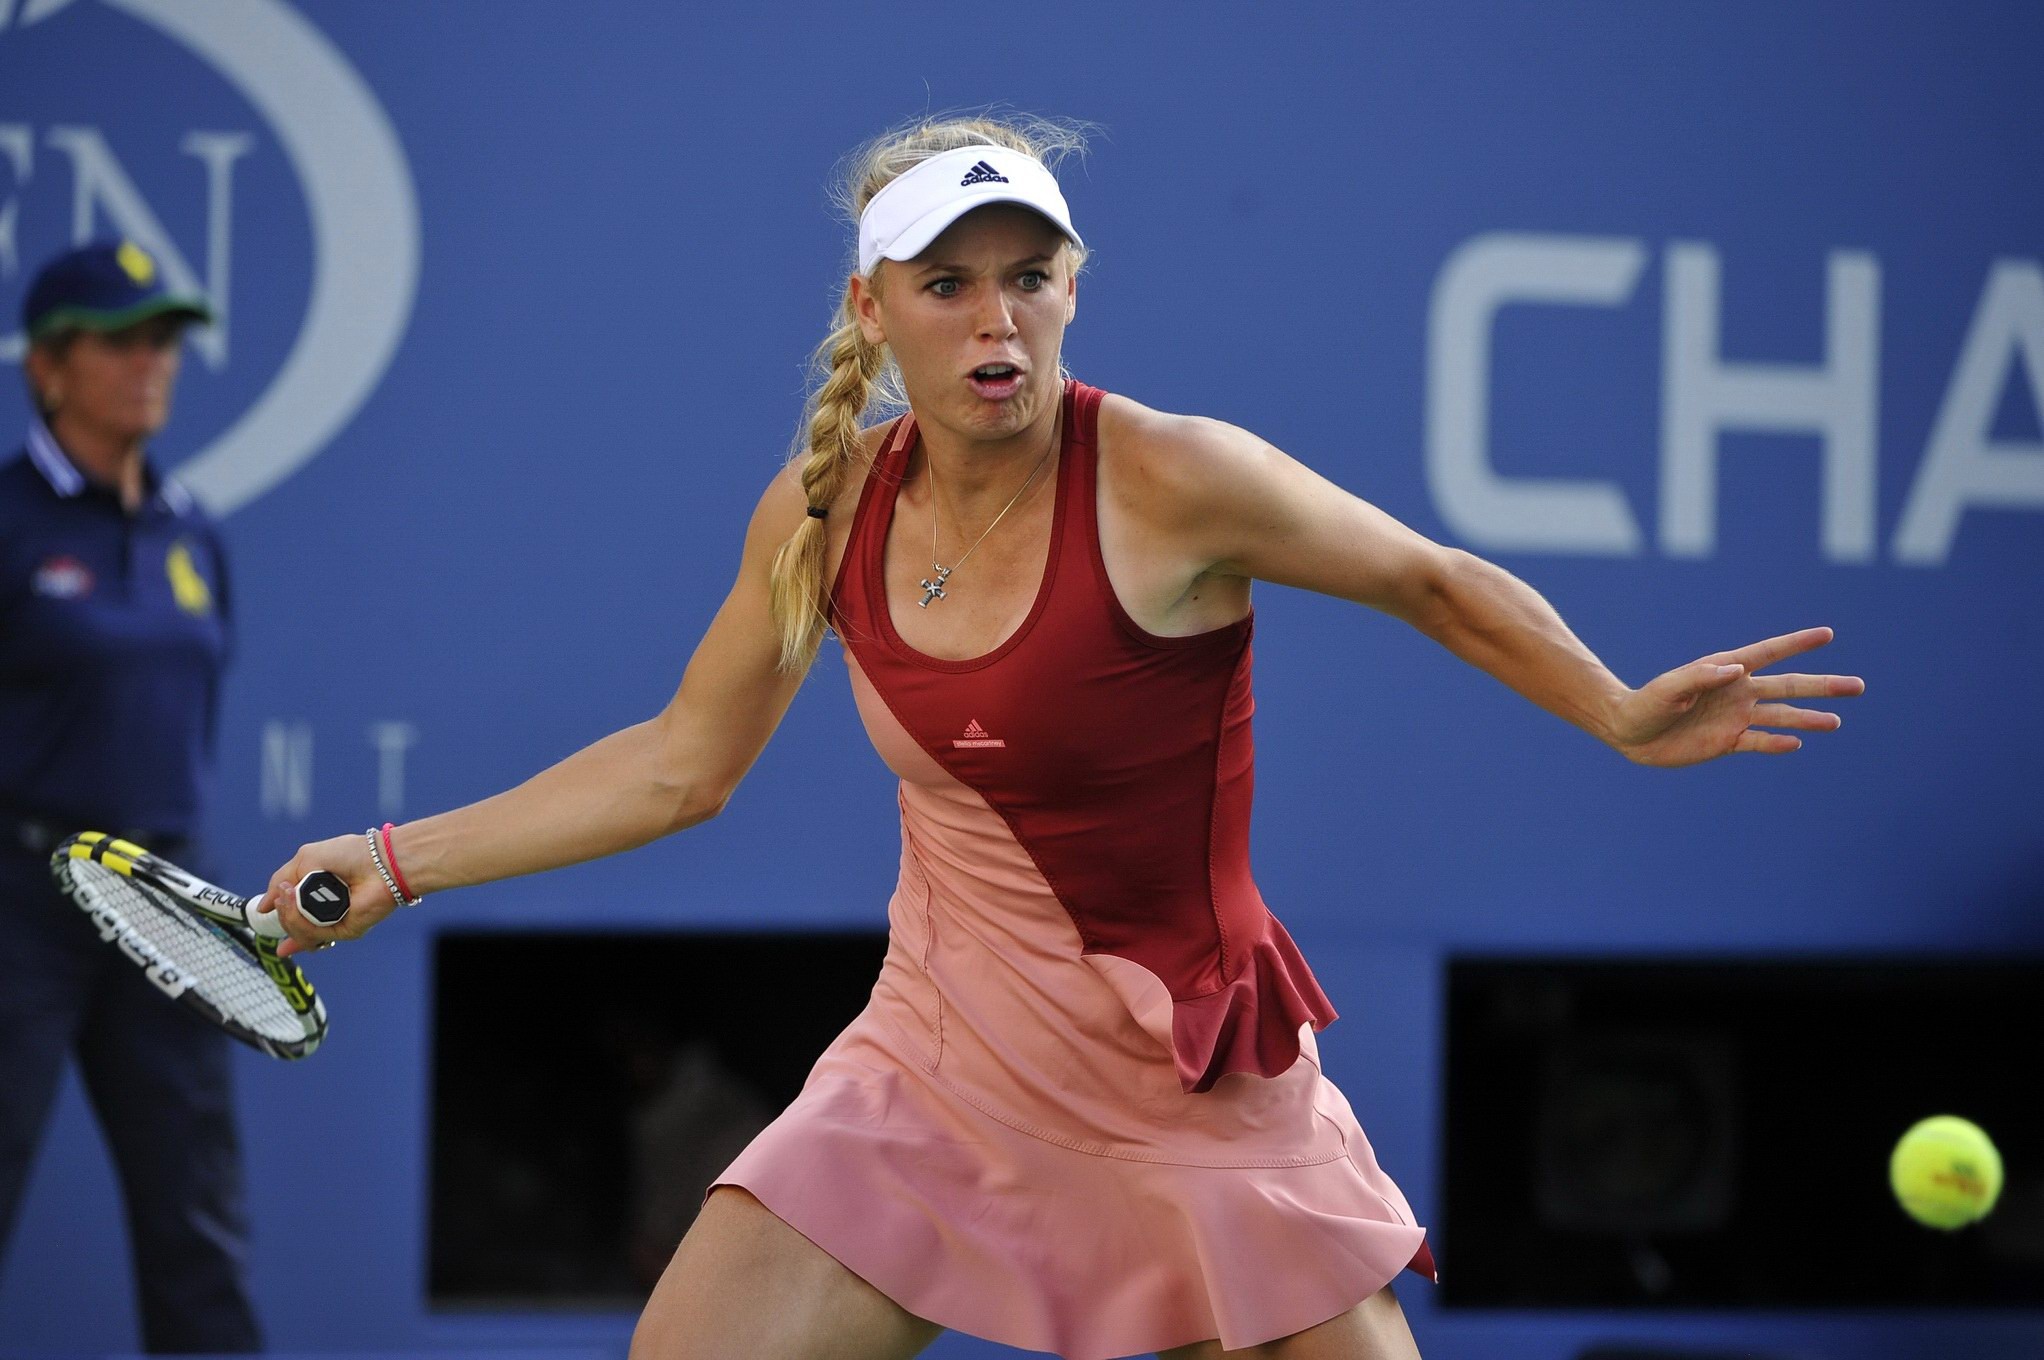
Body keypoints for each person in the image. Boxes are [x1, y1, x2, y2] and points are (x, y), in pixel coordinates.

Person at [260, 115, 1863, 1360]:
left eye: (1030, 273)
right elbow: (687, 760)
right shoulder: (825, 507)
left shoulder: (1172, 477)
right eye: (949, 282)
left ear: (1075, 287)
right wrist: (399, 862)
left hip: (1192, 1088)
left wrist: (1616, 707)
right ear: (873, 307)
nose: (995, 318)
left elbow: (1429, 581)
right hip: (935, 1067)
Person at [0, 241, 256, 1352]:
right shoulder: (9, 519)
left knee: (196, 1216)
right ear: (49, 368)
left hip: (164, 896)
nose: (153, 361)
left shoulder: (191, 528)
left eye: (165, 339)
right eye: (122, 340)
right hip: (17, 899)